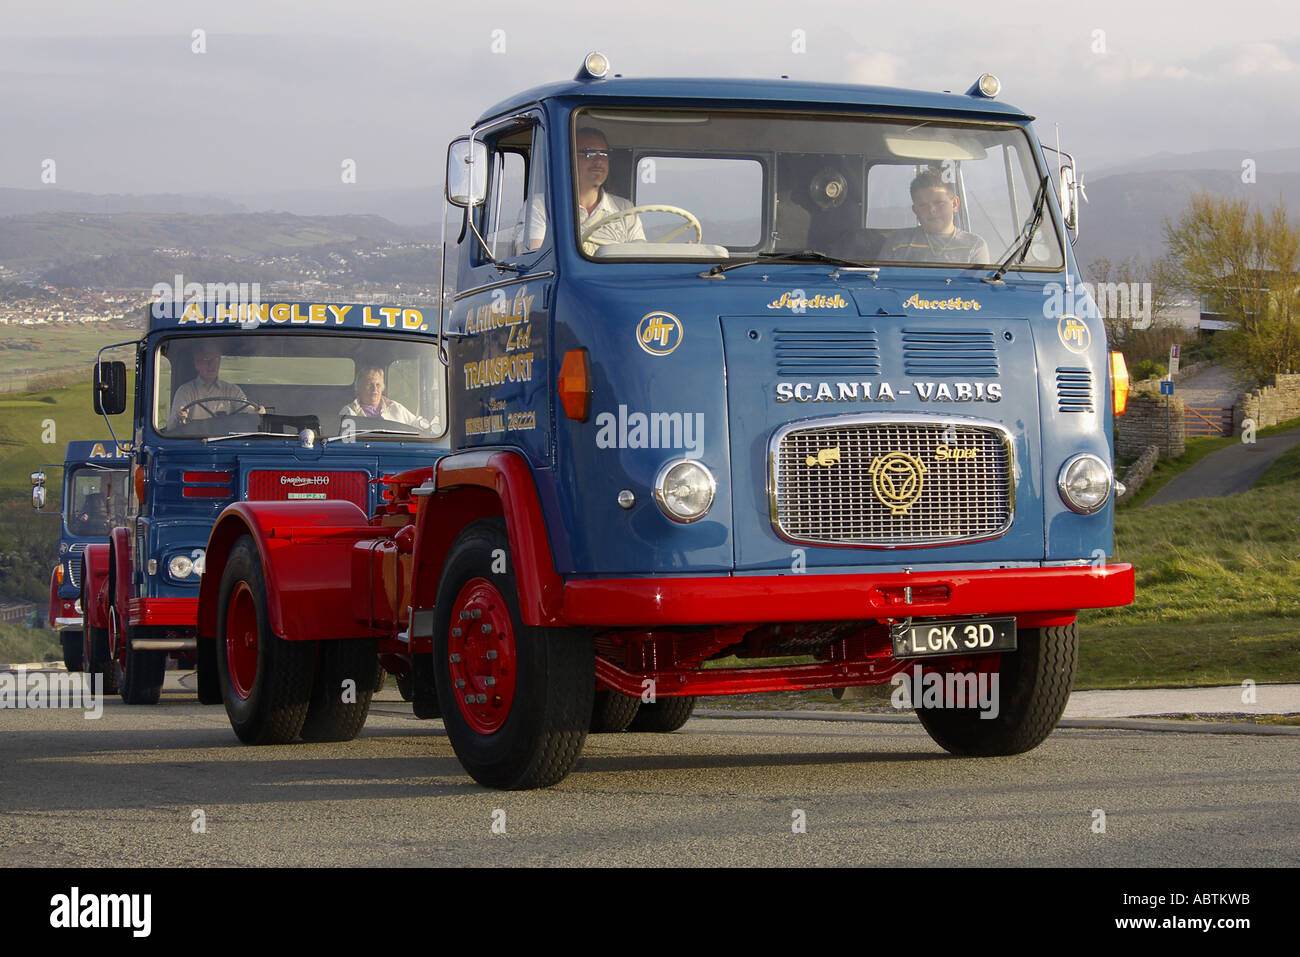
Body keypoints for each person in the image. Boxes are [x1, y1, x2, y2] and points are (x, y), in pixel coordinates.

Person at [522, 128, 645, 252]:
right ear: (569, 159)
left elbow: (640, 256)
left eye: (604, 154)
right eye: (589, 153)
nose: (599, 161)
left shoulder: (625, 209)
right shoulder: (542, 206)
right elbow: (535, 256)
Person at [883, 169, 989, 264]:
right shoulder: (898, 243)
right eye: (923, 205)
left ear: (954, 204)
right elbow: (880, 277)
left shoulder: (974, 246)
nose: (932, 210)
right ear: (915, 211)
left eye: (939, 202)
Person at [168, 341, 262, 428]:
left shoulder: (233, 390)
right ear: (197, 364)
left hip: (229, 439)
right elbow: (171, 427)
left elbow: (247, 411)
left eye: (216, 359)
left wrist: (258, 412)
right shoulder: (185, 391)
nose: (212, 365)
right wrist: (179, 417)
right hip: (194, 439)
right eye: (206, 359)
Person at [339, 365, 425, 427]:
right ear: (359, 388)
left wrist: (425, 425)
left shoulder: (395, 408)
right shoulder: (348, 412)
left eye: (378, 385)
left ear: (382, 388)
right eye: (369, 384)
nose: (374, 389)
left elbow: (416, 424)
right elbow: (346, 441)